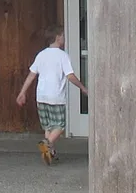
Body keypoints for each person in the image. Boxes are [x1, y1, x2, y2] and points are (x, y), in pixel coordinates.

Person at [16, 29, 87, 165]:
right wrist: (82, 87)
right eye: (63, 36)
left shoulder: (41, 55)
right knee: (60, 125)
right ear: (58, 37)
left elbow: (31, 75)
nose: (64, 38)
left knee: (48, 126)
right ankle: (47, 143)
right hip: (56, 96)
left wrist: (22, 92)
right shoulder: (62, 56)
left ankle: (49, 152)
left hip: (41, 96)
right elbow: (70, 76)